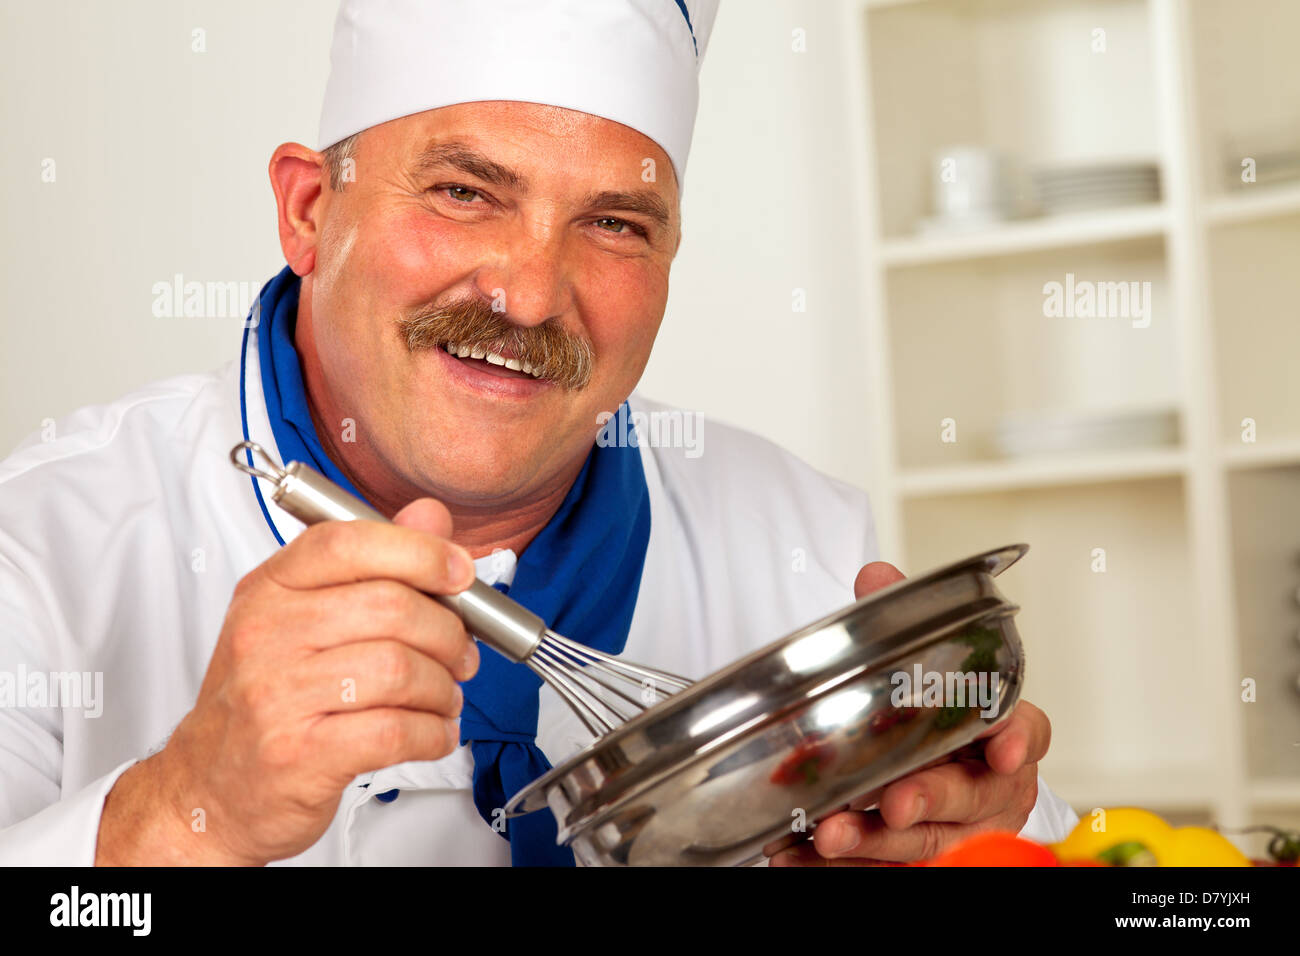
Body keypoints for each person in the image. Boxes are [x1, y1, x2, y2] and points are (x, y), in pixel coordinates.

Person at [0, 0, 1078, 866]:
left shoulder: (809, 545)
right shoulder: (44, 552)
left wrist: (971, 838)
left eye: (614, 223)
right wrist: (183, 812)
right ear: (307, 212)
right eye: (465, 192)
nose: (527, 295)